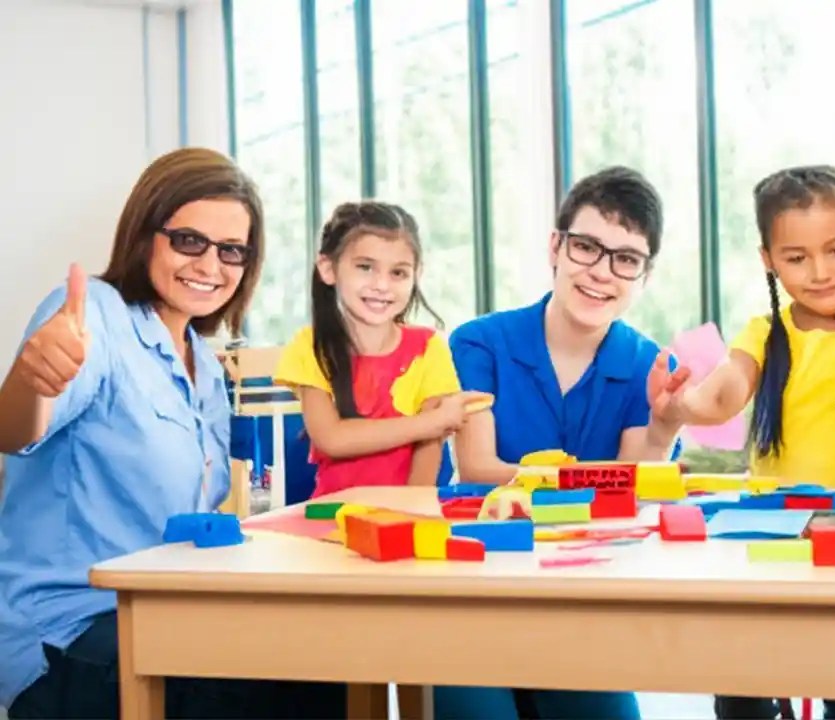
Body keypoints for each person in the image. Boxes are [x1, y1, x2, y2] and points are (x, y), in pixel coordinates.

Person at [0, 148, 344, 718]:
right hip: (68, 628)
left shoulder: (205, 366)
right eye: (189, 241)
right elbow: (15, 432)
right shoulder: (92, 317)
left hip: (162, 610)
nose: (211, 265)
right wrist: (33, 382)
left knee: (322, 666)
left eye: (231, 250)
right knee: (258, 691)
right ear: (146, 234)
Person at [675, 165, 835, 719]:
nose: (820, 272)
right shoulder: (763, 333)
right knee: (742, 690)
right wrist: (683, 403)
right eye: (796, 258)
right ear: (768, 259)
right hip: (771, 537)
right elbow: (724, 392)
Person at [439, 166, 686, 719]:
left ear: (644, 275)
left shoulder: (644, 362)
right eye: (586, 248)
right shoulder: (479, 342)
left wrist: (664, 428)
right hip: (478, 590)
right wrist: (592, 482)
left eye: (626, 258)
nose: (602, 273)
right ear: (556, 246)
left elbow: (633, 488)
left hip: (584, 598)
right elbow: (478, 468)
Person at [274, 201, 488, 497]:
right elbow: (332, 438)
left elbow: (428, 452)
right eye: (365, 267)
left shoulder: (429, 347)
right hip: (331, 516)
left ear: (417, 274)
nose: (381, 285)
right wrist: (432, 422)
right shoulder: (310, 347)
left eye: (398, 273)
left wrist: (409, 514)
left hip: (408, 514)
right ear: (328, 268)